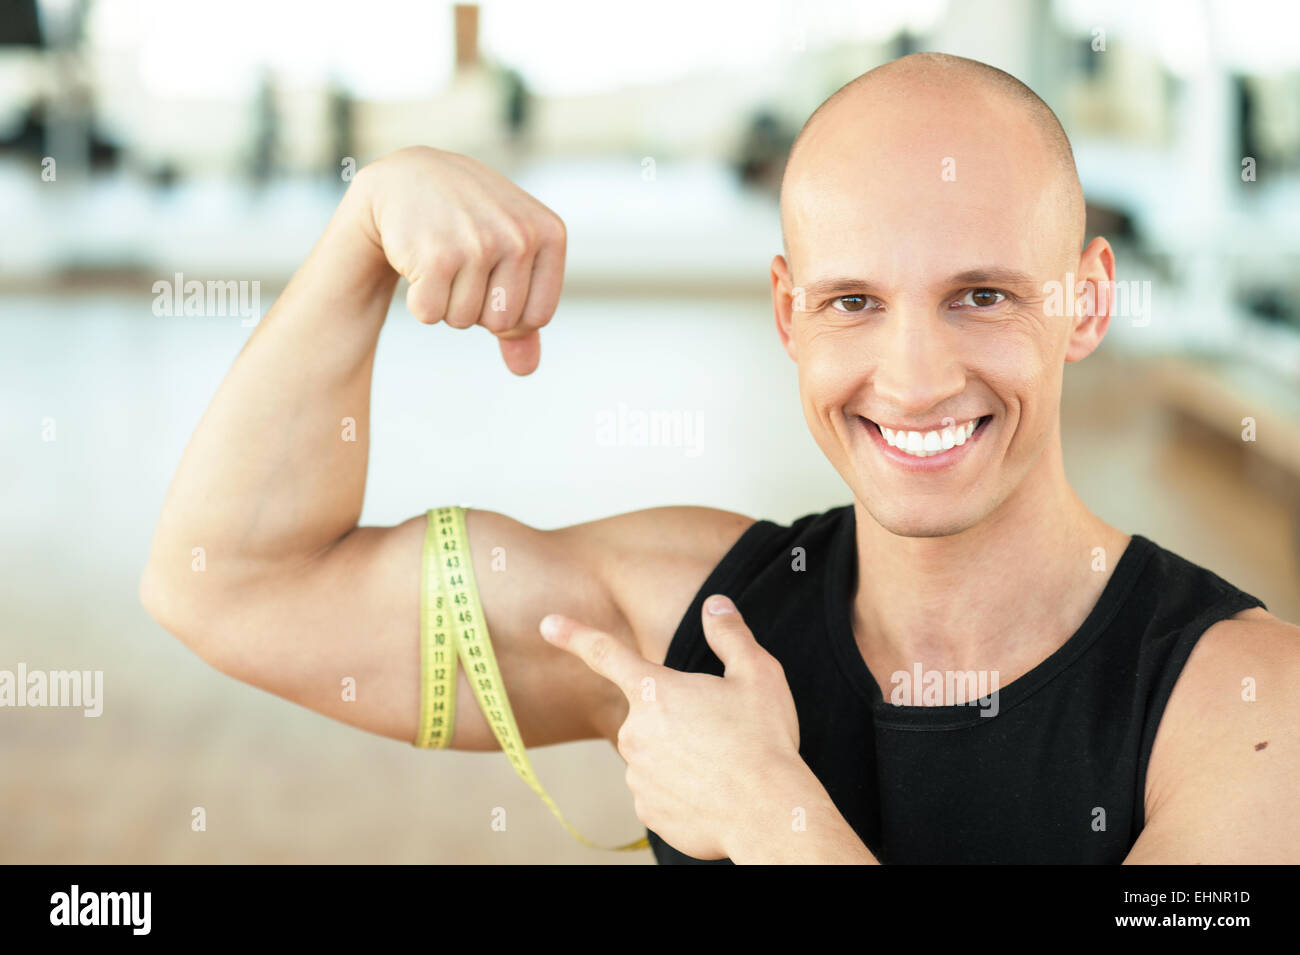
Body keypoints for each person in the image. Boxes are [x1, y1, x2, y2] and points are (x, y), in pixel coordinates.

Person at [140, 52, 1300, 864]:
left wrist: (771, 817)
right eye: (853, 301)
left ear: (1085, 301)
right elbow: (228, 582)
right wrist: (361, 233)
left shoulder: (1244, 707)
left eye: (981, 295)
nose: (913, 377)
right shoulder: (685, 618)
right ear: (787, 315)